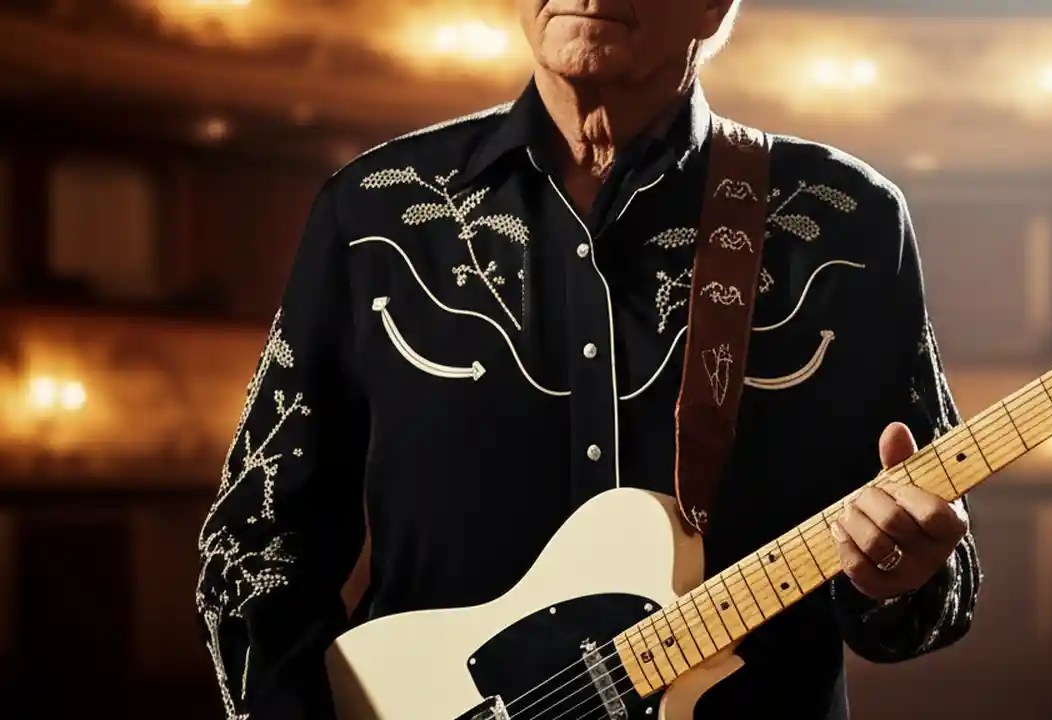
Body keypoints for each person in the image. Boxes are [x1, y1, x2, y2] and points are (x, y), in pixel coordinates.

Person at [195, 1, 981, 718]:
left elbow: (933, 580)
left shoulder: (846, 223)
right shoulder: (375, 211)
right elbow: (253, 546)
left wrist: (897, 577)